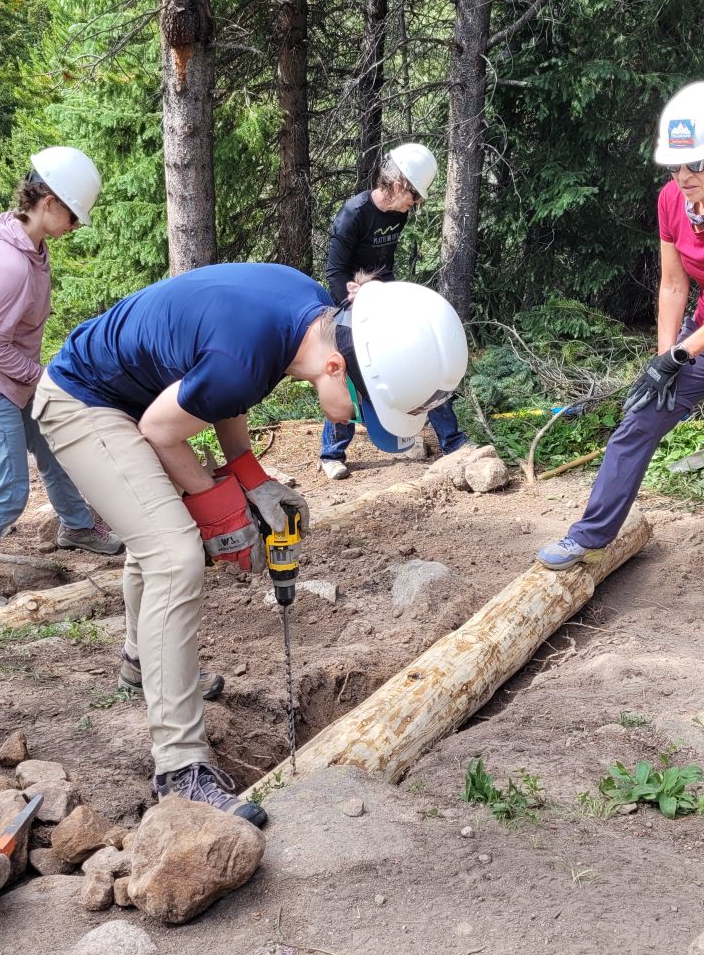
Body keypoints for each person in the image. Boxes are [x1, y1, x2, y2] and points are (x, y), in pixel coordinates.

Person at [33, 265, 468, 825]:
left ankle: (142, 667)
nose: (358, 426)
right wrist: (220, 505)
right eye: (363, 414)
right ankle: (181, 772)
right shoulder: (251, 355)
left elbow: (224, 389)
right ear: (336, 367)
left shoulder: (310, 315)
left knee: (156, 535)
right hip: (84, 400)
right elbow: (166, 427)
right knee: (174, 552)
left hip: (139, 398)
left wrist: (250, 475)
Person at [538, 80, 704, 610]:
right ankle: (590, 536)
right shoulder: (672, 200)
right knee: (638, 416)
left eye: (696, 166)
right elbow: (672, 284)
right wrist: (664, 358)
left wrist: (681, 354)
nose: (683, 178)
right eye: (675, 167)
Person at [0, 147, 123, 614]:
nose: (77, 226)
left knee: (56, 449)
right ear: (48, 201)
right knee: (10, 491)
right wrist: (42, 377)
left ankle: (77, 526)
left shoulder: (32, 250)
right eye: (74, 215)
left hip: (11, 380)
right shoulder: (9, 263)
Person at [318, 143, 468, 479]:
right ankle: (332, 453)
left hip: (384, 296)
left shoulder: (398, 215)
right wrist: (351, 296)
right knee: (348, 372)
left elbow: (384, 266)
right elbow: (334, 271)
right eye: (414, 196)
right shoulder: (354, 214)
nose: (415, 205)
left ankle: (453, 441)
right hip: (350, 305)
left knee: (424, 359)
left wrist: (384, 294)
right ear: (399, 185)